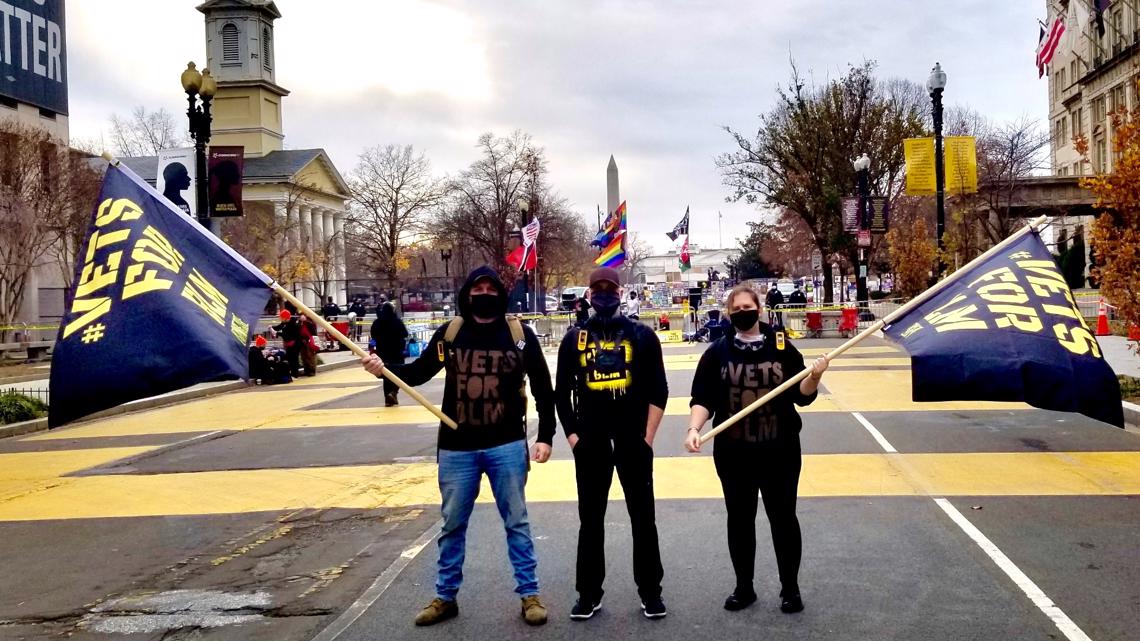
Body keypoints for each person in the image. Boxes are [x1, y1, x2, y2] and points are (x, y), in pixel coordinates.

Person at [360, 266, 556, 627]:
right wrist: (382, 369)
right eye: (477, 288)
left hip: (507, 445)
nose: (484, 293)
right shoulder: (450, 334)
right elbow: (418, 373)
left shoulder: (519, 336)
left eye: (490, 287)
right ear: (468, 293)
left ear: (500, 292)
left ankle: (529, 594)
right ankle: (445, 596)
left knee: (517, 522)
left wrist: (545, 436)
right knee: (452, 525)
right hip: (456, 447)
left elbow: (545, 390)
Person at [683, 284, 829, 615]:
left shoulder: (781, 347)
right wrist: (694, 429)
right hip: (735, 454)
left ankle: (790, 589)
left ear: (760, 309)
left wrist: (816, 376)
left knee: (783, 518)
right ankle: (744, 587)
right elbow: (703, 399)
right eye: (735, 309)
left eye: (748, 307)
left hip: (780, 451)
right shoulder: (717, 353)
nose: (742, 313)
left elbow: (801, 396)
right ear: (728, 313)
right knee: (740, 519)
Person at [555, 267, 669, 621]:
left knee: (643, 518)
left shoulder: (643, 336)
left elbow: (659, 390)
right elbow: (561, 394)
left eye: (610, 288)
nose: (604, 294)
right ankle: (588, 593)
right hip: (591, 442)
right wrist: (574, 438)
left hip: (633, 439)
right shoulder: (573, 339)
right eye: (598, 289)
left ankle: (650, 591)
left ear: (621, 292)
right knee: (590, 520)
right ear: (589, 294)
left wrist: (647, 437)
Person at [370, 302, 408, 406]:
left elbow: (373, 336)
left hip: (383, 352)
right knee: (397, 373)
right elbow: (405, 334)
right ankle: (394, 392)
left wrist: (372, 348)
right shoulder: (397, 322)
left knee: (386, 374)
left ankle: (387, 397)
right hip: (397, 352)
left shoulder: (377, 322)